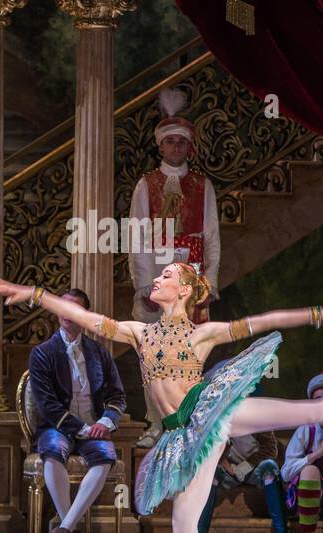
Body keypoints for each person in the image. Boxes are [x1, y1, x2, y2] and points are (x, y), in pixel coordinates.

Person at [0, 266, 323, 533]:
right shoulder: (138, 331)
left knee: (305, 411)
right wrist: (34, 293)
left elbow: (262, 322)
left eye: (166, 275)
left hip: (209, 410)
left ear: (183, 289)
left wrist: (315, 314)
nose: (158, 278)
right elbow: (84, 318)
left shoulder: (203, 333)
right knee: (184, 530)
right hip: (182, 437)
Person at [128, 88, 220, 447]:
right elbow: (138, 239)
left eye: (182, 143)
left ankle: (189, 423)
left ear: (189, 146)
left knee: (189, 357)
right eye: (171, 143)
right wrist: (146, 286)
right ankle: (155, 423)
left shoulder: (202, 185)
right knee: (154, 357)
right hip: (158, 277)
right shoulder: (145, 185)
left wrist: (209, 280)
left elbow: (211, 235)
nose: (176, 149)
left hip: (191, 279)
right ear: (161, 146)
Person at [27, 288, 127, 533]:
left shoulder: (100, 353)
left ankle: (63, 530)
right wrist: (81, 429)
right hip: (58, 426)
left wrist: (105, 422)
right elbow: (47, 405)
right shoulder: (42, 353)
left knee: (106, 456)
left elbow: (117, 396)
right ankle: (68, 530)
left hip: (94, 426)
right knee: (52, 452)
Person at [195, 362, 296, 533]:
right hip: (225, 470)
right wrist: (222, 462)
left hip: (252, 469)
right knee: (210, 473)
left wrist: (242, 468)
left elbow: (269, 449)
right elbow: (207, 446)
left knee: (269, 466)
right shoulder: (217, 417)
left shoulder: (258, 416)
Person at [281, 373, 323, 533]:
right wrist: (315, 455)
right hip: (309, 499)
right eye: (318, 400)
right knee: (310, 471)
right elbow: (285, 473)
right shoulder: (306, 430)